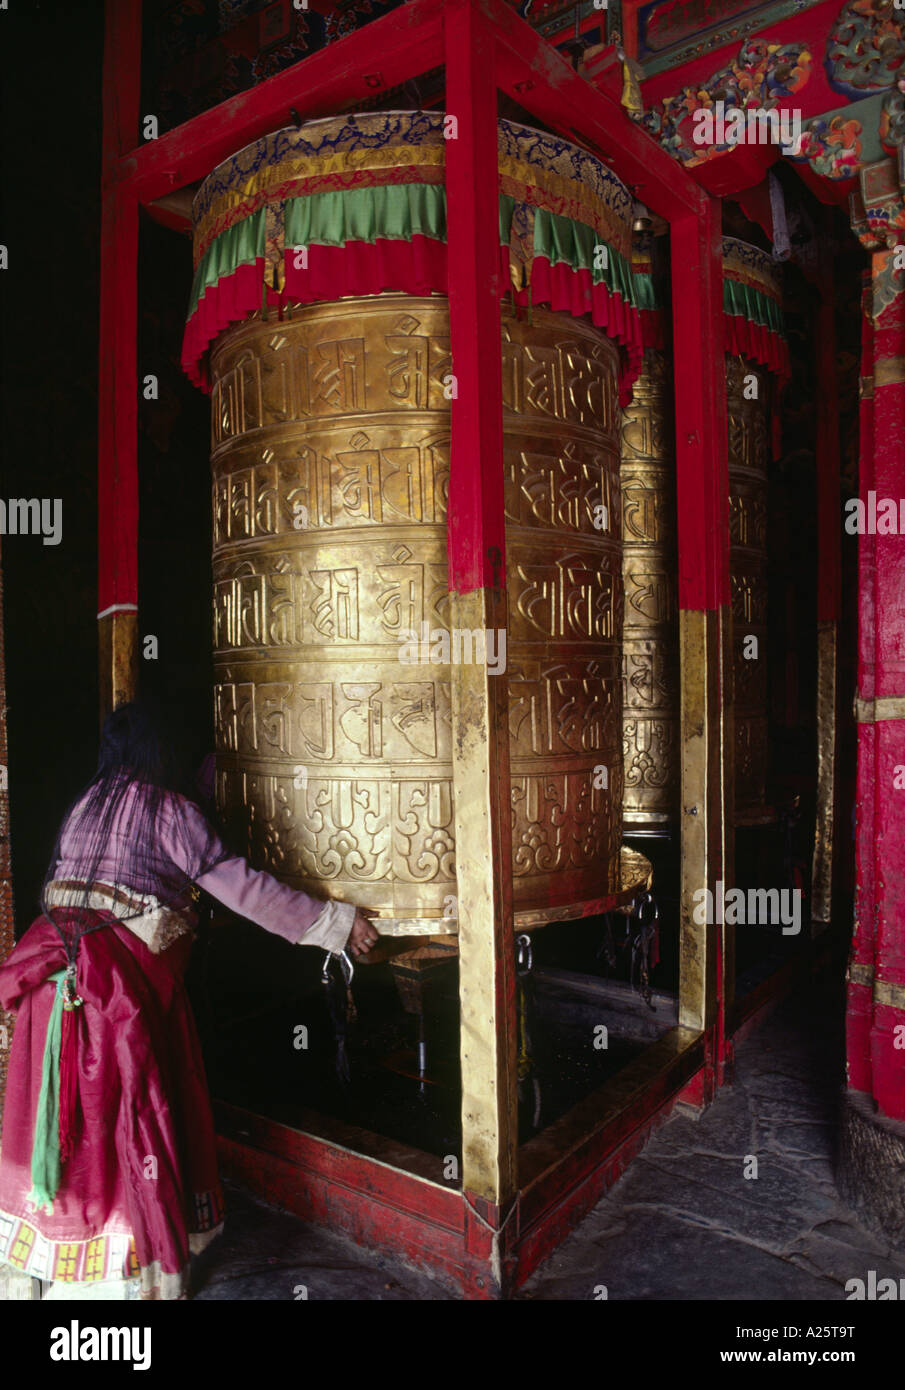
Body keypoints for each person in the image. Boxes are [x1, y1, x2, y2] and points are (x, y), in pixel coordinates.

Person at [0, 700, 378, 1300]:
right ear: (166, 753)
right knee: (124, 1126)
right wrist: (335, 924)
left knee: (65, 1125)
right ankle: (126, 1280)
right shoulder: (171, 810)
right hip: (112, 997)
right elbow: (243, 888)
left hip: (53, 988)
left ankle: (45, 1267)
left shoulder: (84, 805)